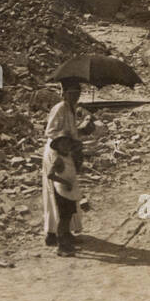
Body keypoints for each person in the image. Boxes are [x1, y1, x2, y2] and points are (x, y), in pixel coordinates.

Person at [42, 78, 95, 248]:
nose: (75, 97)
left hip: (66, 151)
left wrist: (82, 130)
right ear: (64, 94)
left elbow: (72, 133)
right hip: (56, 152)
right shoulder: (59, 108)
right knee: (57, 194)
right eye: (72, 94)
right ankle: (54, 234)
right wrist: (68, 136)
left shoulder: (72, 109)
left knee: (67, 195)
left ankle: (65, 232)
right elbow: (50, 131)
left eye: (78, 94)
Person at [44, 135, 81, 257]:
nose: (66, 147)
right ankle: (61, 245)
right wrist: (65, 182)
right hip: (62, 191)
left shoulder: (69, 157)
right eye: (63, 144)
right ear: (58, 147)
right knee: (63, 218)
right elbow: (50, 175)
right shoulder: (58, 159)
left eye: (68, 144)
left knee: (68, 215)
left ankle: (66, 238)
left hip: (69, 190)